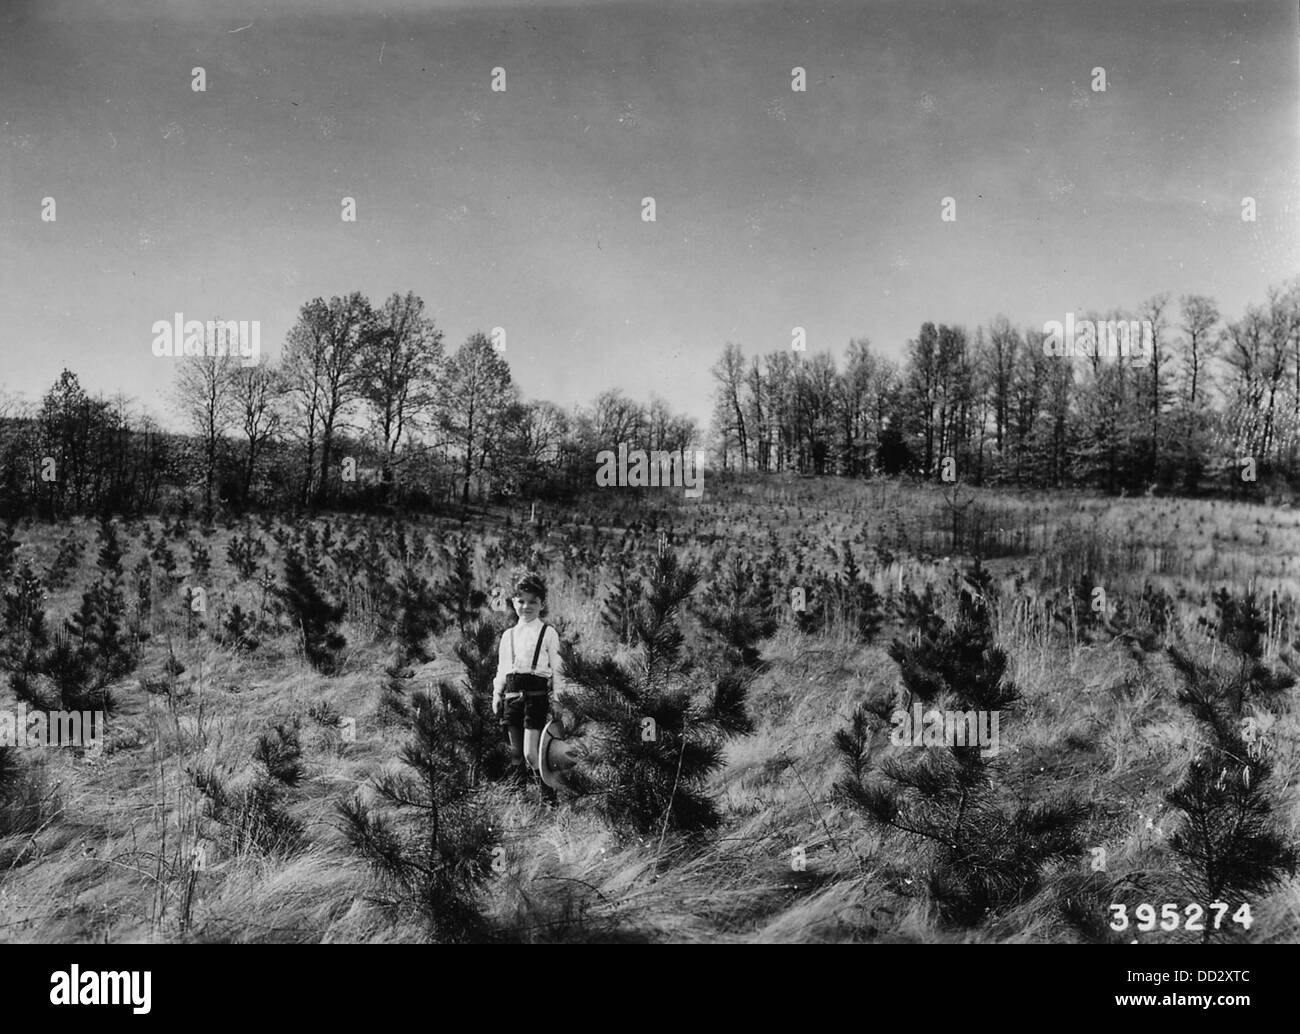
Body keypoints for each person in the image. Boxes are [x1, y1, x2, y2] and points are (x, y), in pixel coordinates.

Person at [492, 572, 564, 802]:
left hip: (536, 697)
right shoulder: (508, 635)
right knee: (515, 754)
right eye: (521, 601)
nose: (526, 606)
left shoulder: (547, 632)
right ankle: (519, 800)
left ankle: (549, 797)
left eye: (533, 601)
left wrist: (558, 699)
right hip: (512, 696)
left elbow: (559, 669)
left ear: (542, 604)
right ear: (513, 602)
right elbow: (502, 669)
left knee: (530, 754)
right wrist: (496, 693)